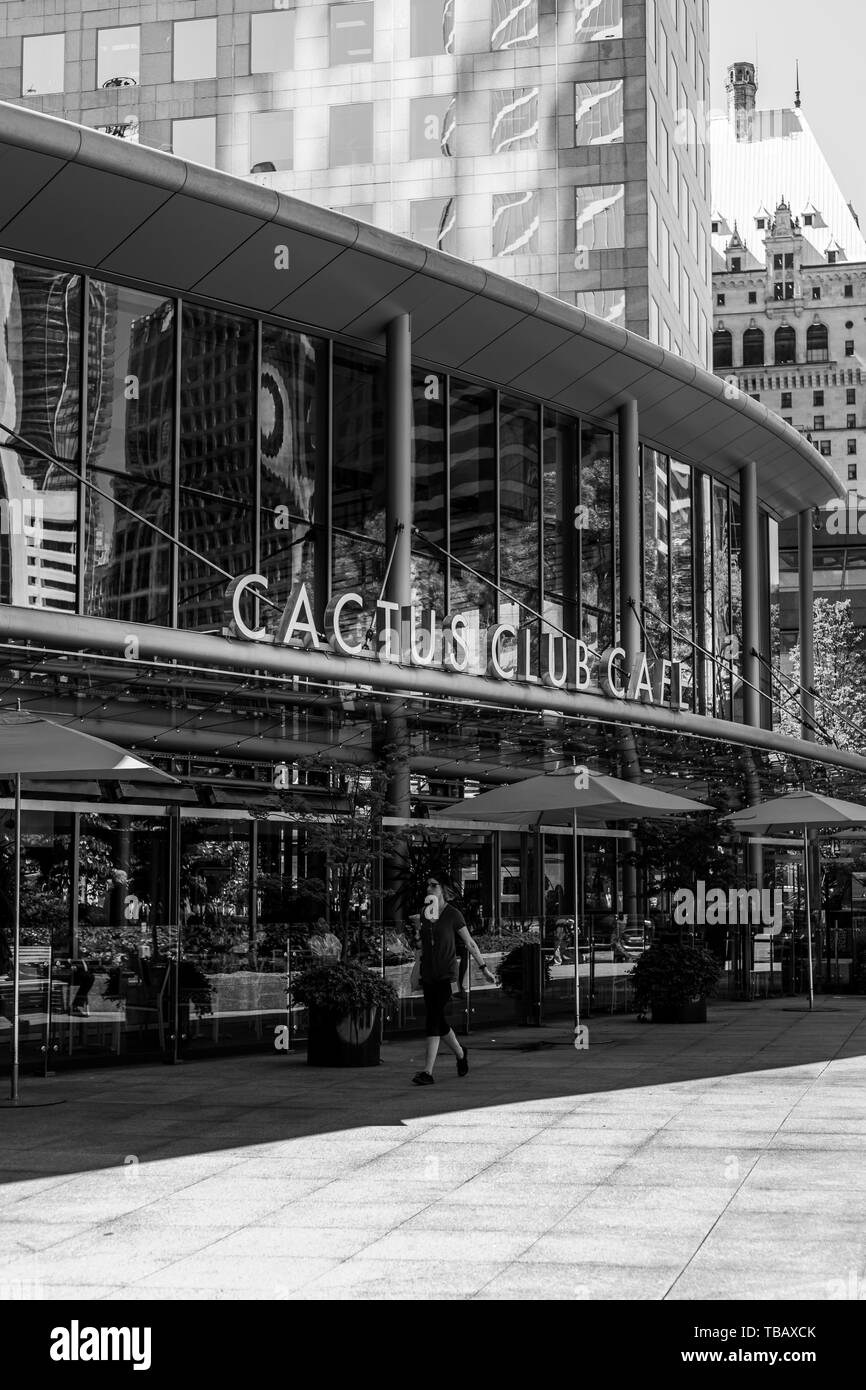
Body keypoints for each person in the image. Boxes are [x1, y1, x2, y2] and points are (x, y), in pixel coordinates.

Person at [411, 875, 496, 1086]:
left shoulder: (452, 914)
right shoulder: (424, 913)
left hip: (447, 974)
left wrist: (483, 967)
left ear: (443, 889)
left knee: (433, 1019)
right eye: (428, 885)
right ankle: (460, 1053)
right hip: (429, 972)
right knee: (437, 1020)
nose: (429, 888)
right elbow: (422, 946)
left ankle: (427, 1072)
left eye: (434, 885)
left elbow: (469, 942)